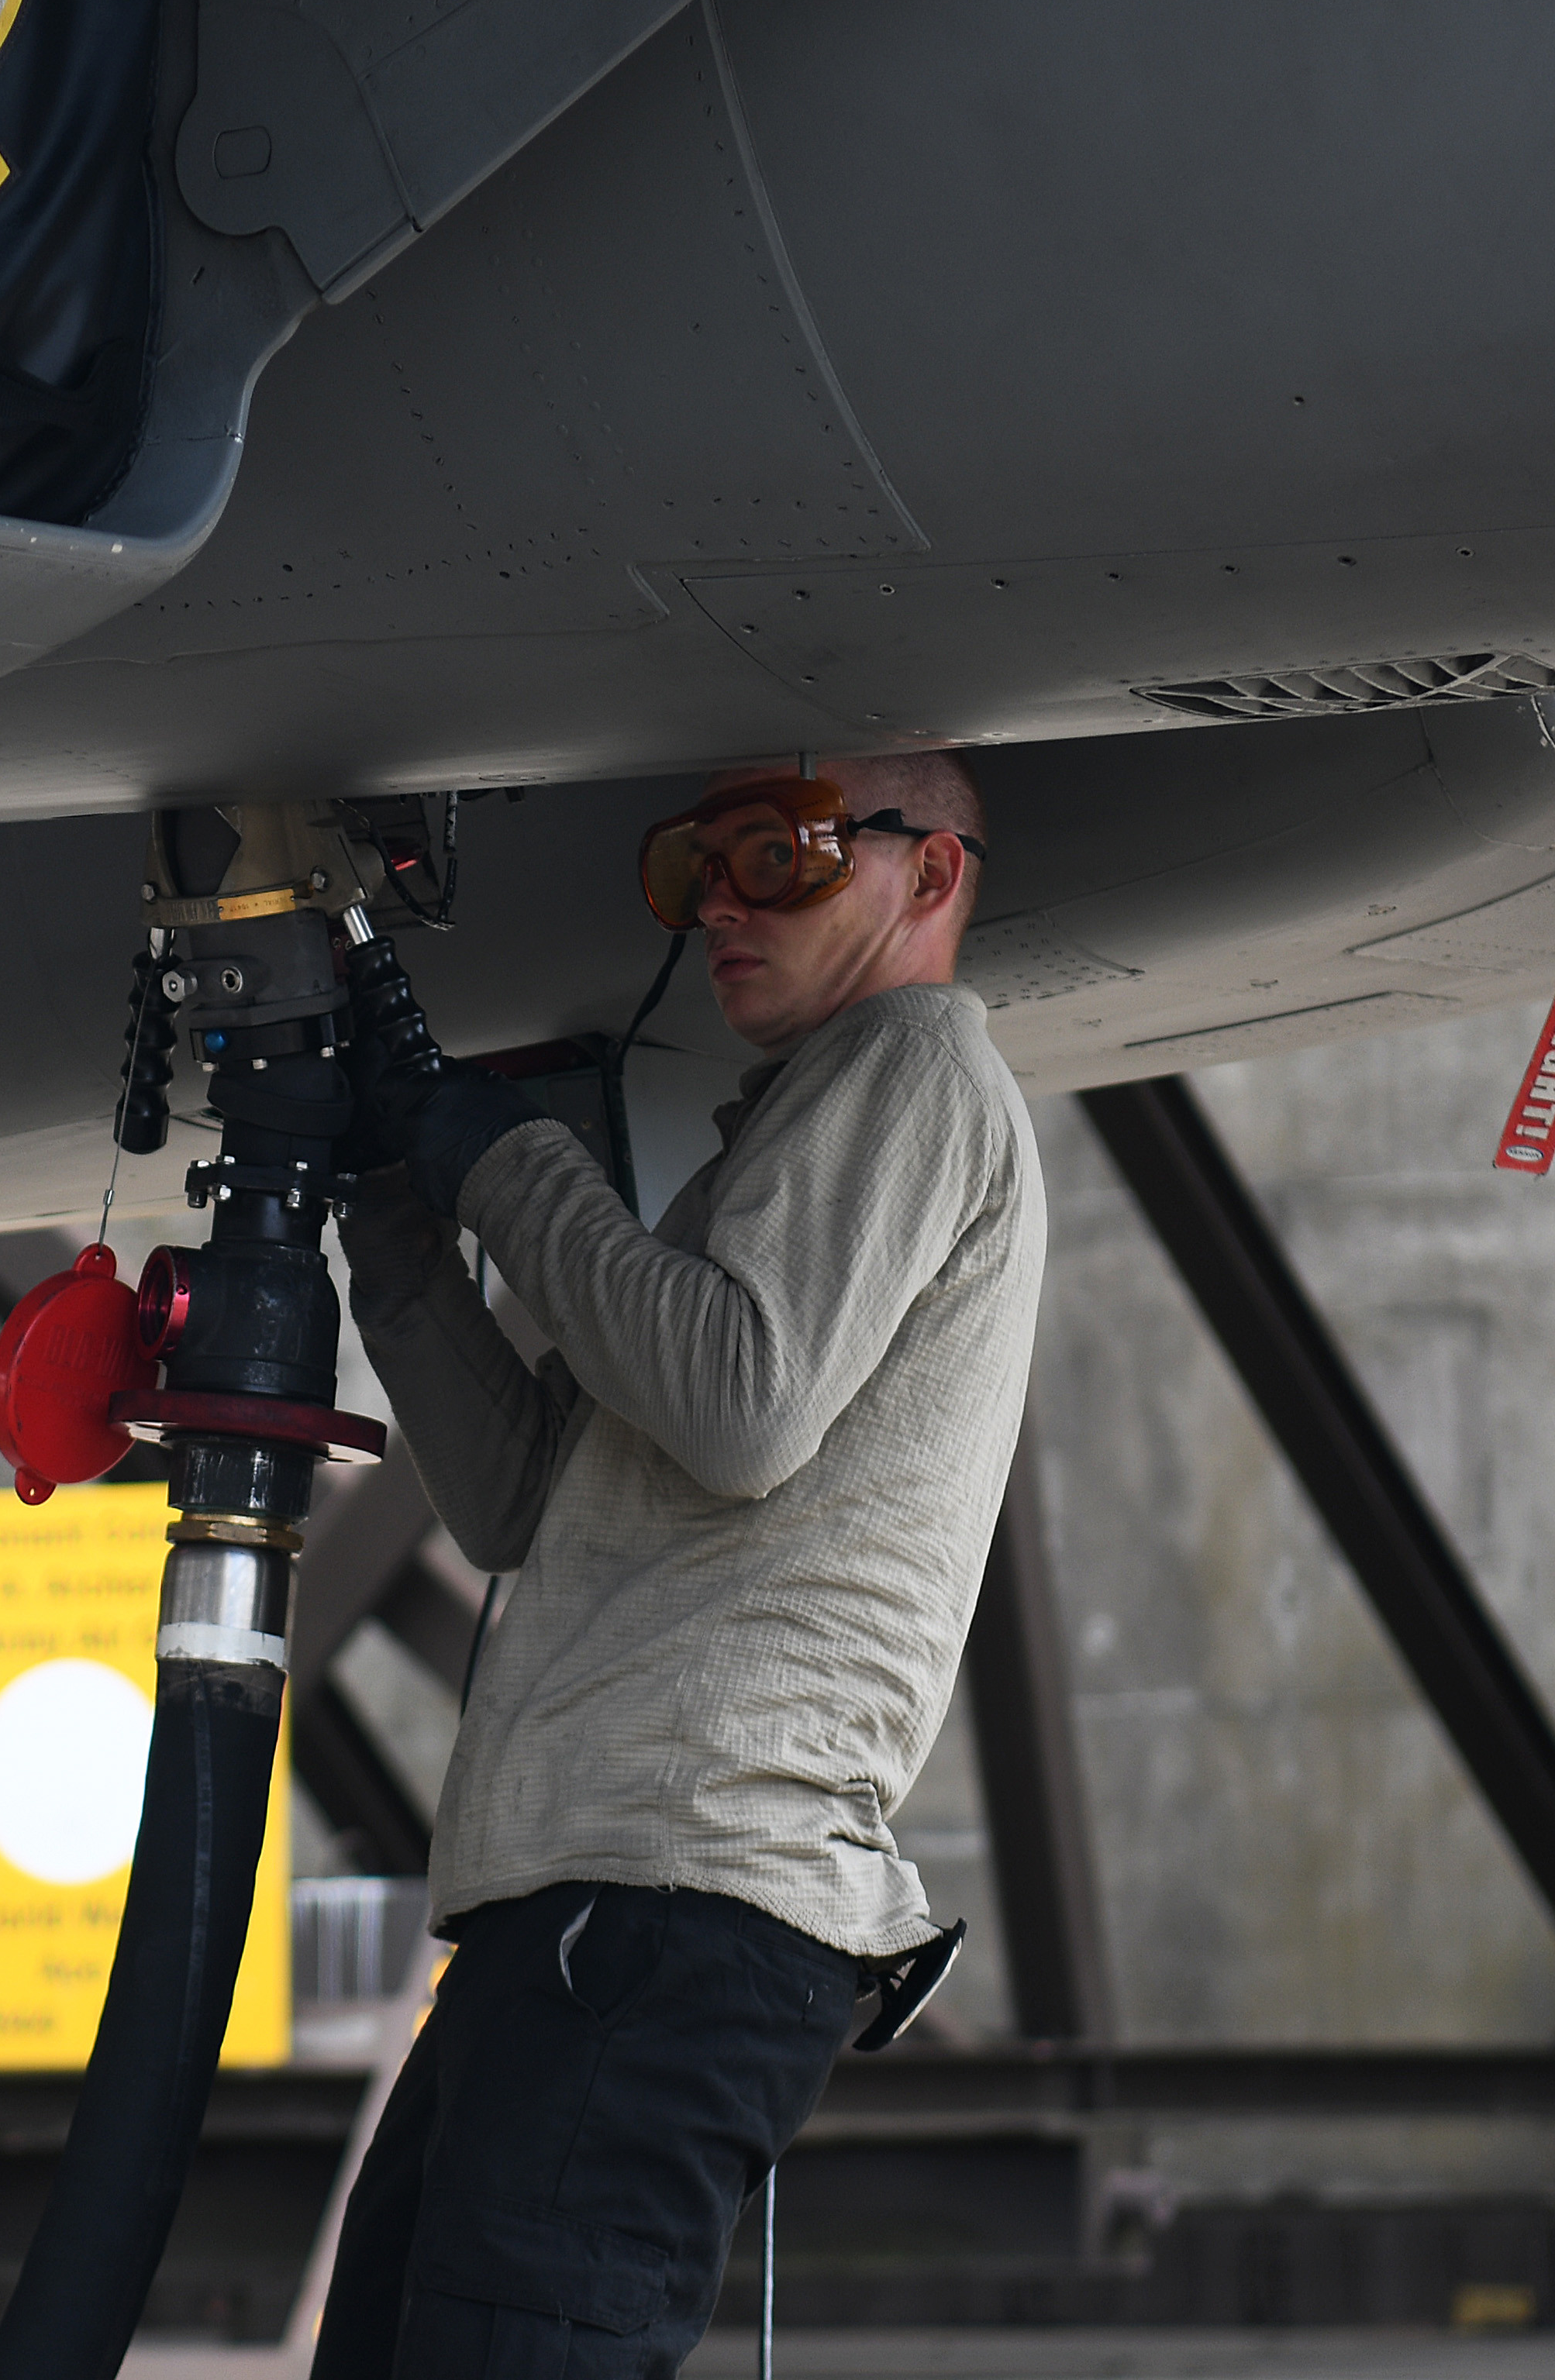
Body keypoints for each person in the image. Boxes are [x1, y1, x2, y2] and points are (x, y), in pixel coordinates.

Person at [310, 751, 1040, 2378]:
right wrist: (396, 1209)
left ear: (930, 875)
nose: (717, 901)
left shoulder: (914, 1063)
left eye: (777, 855)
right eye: (694, 867)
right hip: (599, 1909)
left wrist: (506, 1163)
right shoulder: (765, 1165)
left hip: (667, 1902)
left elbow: (739, 1404)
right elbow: (517, 1499)